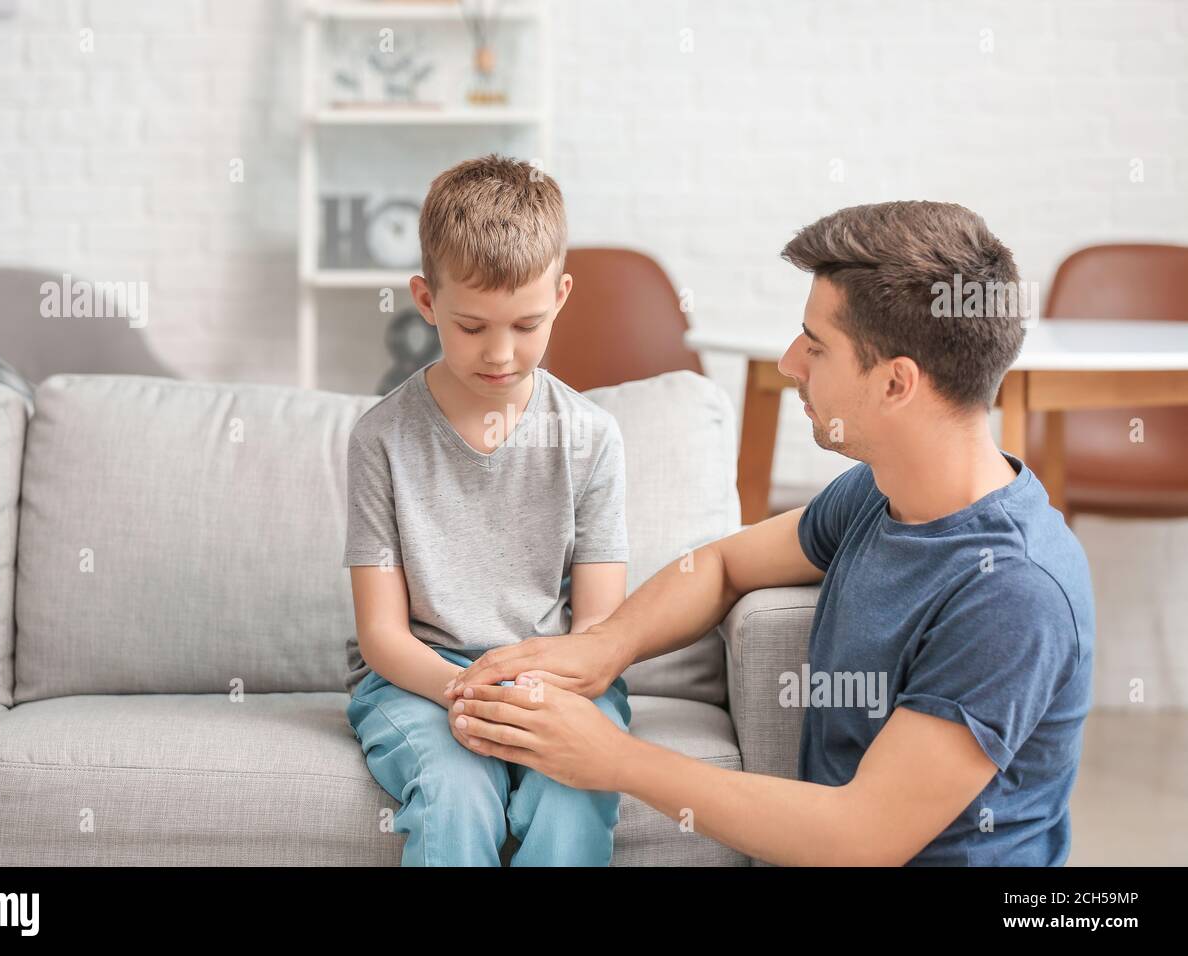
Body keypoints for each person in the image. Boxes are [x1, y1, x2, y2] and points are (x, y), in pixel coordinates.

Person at [446, 201, 1096, 866]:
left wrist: (612, 758)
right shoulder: (882, 492)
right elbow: (725, 566)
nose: (790, 363)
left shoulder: (1013, 595)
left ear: (898, 382)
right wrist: (606, 647)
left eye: (816, 345)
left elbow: (861, 835)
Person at [342, 155, 632, 866]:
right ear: (425, 299)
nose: (500, 354)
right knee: (454, 785)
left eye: (526, 325)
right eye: (471, 327)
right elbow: (381, 634)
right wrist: (466, 694)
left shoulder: (591, 438)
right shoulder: (381, 438)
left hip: (556, 676)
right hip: (417, 679)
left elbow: (598, 628)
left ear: (562, 296)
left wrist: (532, 691)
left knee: (574, 788)